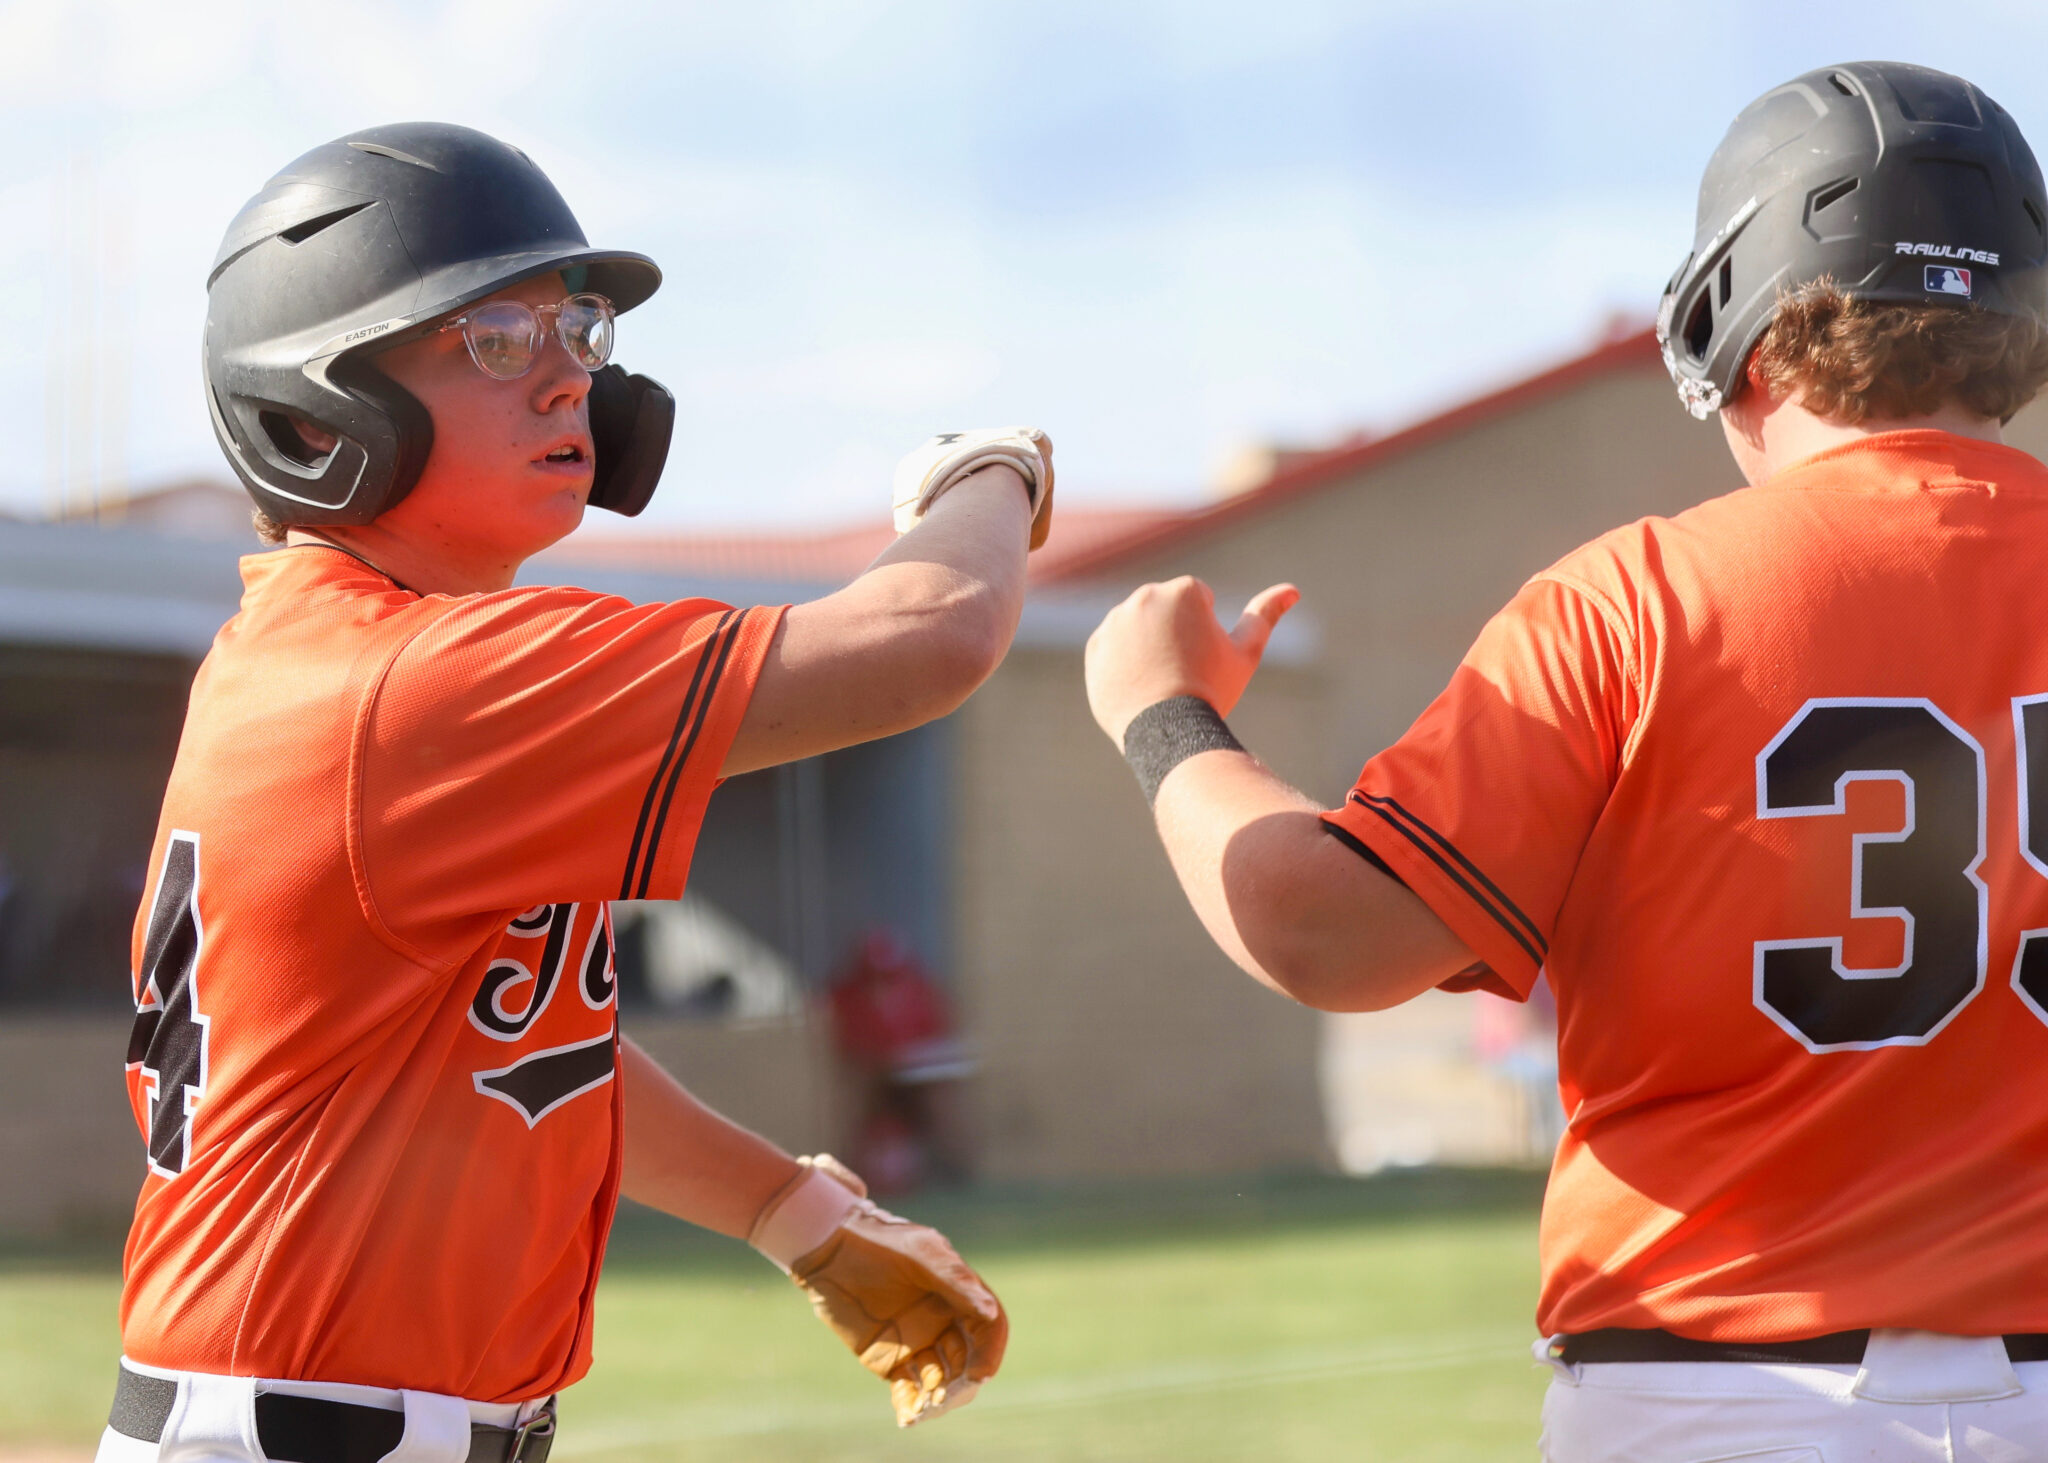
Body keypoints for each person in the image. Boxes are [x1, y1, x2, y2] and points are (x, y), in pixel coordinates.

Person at [1082, 60, 2048, 1460]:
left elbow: (1324, 931)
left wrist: (1163, 712)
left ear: (1744, 329)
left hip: (1726, 1391)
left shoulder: (1640, 600)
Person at [103, 122, 1050, 1462]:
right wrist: (990, 469)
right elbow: (931, 633)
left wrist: (793, 1210)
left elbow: (527, 1054)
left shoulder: (354, 659)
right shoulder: (410, 683)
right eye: (496, 338)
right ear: (315, 418)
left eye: (579, 330)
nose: (569, 383)